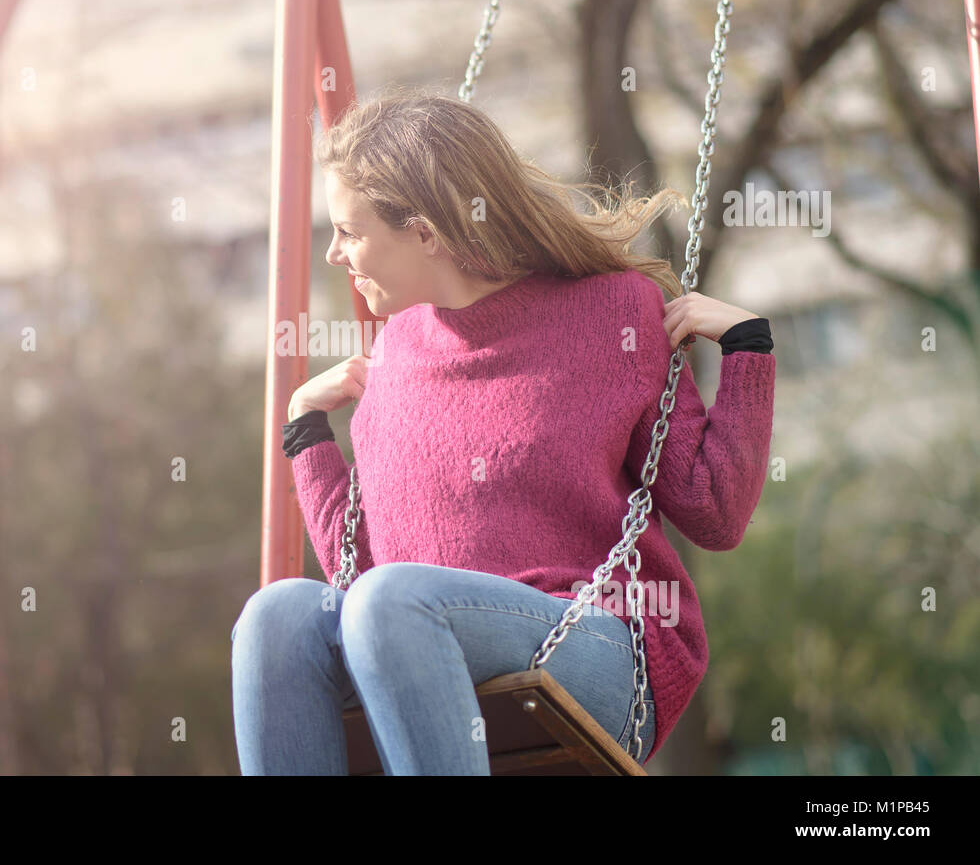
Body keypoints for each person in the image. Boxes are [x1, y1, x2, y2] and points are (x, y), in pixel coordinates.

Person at [231, 89, 776, 775]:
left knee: (390, 602)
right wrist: (307, 435)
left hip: (594, 645)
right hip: (416, 631)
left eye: (349, 230)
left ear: (425, 233)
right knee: (273, 619)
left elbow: (715, 511)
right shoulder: (395, 351)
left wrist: (747, 351)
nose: (336, 253)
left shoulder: (616, 313)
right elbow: (361, 571)